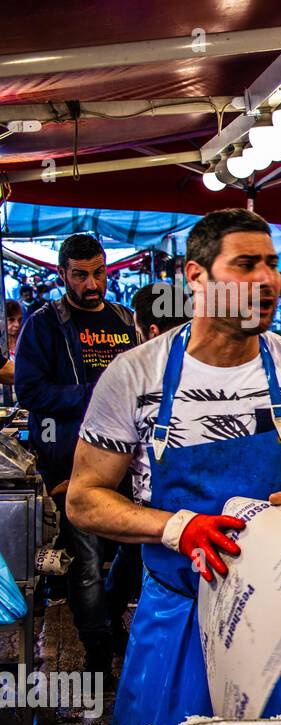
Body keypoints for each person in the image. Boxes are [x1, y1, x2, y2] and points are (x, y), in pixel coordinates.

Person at [67, 208, 281, 725]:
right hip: (176, 617)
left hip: (280, 623)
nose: (267, 280)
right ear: (196, 277)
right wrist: (178, 528)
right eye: (245, 265)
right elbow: (84, 499)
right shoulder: (135, 374)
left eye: (272, 264)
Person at [15, 235, 138, 674]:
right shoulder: (44, 323)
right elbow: (30, 390)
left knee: (136, 549)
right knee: (84, 559)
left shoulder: (125, 319)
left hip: (128, 459)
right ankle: (98, 652)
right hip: (71, 460)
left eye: (99, 272)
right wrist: (93, 396)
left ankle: (106, 617)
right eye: (82, 275)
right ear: (63, 274)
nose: (92, 283)